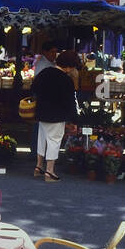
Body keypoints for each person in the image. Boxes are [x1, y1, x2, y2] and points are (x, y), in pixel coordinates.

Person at [32, 50, 80, 182]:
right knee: (54, 141)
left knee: (42, 139)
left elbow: (33, 88)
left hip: (42, 112)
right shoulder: (66, 80)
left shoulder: (44, 72)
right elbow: (70, 102)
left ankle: (38, 167)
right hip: (57, 115)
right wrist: (74, 121)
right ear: (70, 66)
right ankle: (50, 171)